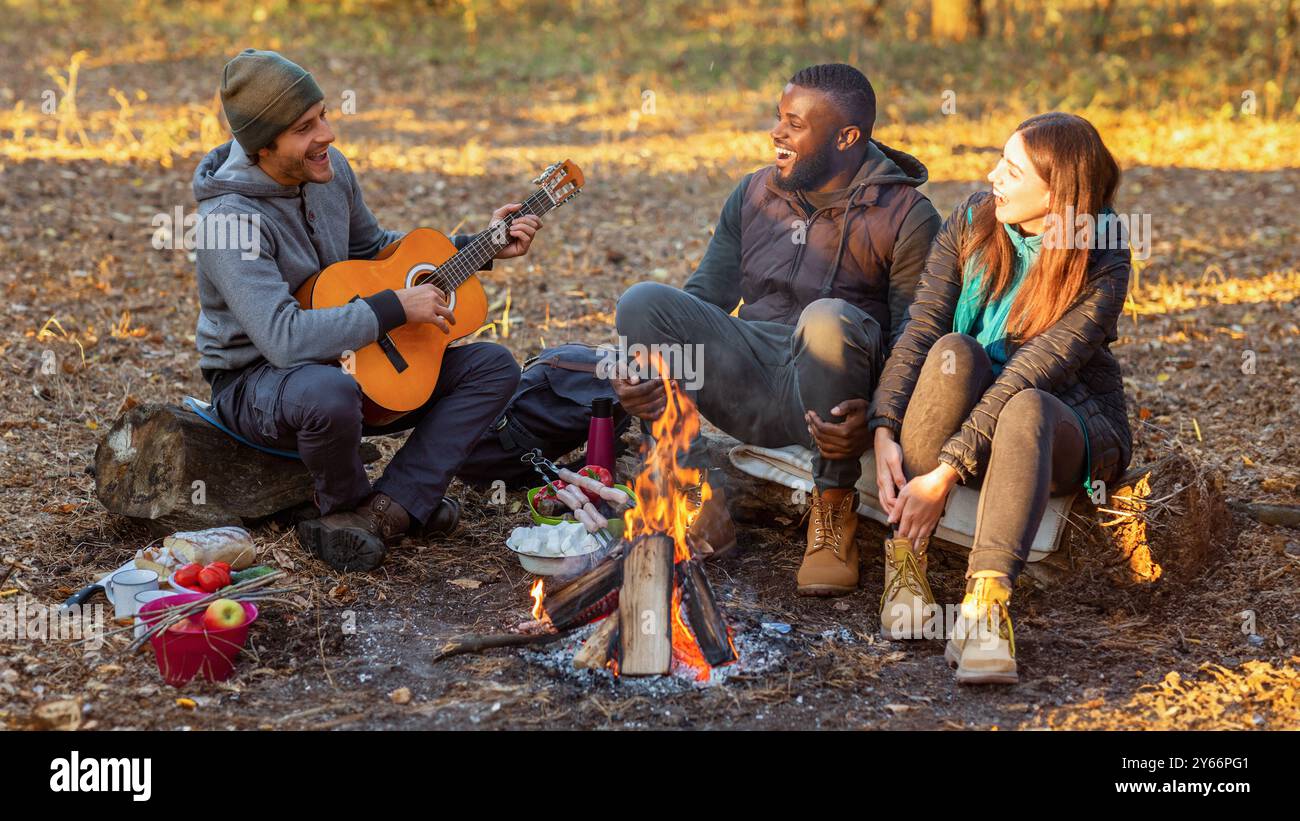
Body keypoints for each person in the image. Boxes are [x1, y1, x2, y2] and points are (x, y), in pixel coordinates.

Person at [192, 49, 542, 572]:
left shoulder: (328, 173)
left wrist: (479, 247)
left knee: (492, 366)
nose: (327, 134)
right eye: (306, 127)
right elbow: (283, 339)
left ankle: (391, 507)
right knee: (326, 391)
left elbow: (380, 253)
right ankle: (340, 508)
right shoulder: (228, 221)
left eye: (325, 114)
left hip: (350, 358)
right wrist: (393, 309)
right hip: (258, 383)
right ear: (264, 146)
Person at [613, 63, 941, 595]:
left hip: (833, 396)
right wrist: (646, 368)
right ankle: (691, 487)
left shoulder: (907, 215)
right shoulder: (753, 194)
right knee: (644, 303)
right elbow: (703, 300)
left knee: (827, 317)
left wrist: (881, 417)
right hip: (748, 377)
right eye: (778, 118)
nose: (777, 134)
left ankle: (833, 512)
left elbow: (915, 336)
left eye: (794, 123)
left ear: (846, 137)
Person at [864, 112, 1133, 684]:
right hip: (972, 401)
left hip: (1061, 419)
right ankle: (906, 568)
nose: (993, 177)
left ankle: (985, 609)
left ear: (1057, 194)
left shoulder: (1102, 250)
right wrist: (885, 424)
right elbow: (921, 327)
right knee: (952, 350)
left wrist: (945, 472)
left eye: (1011, 171)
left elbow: (1034, 372)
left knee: (1024, 405)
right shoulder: (970, 221)